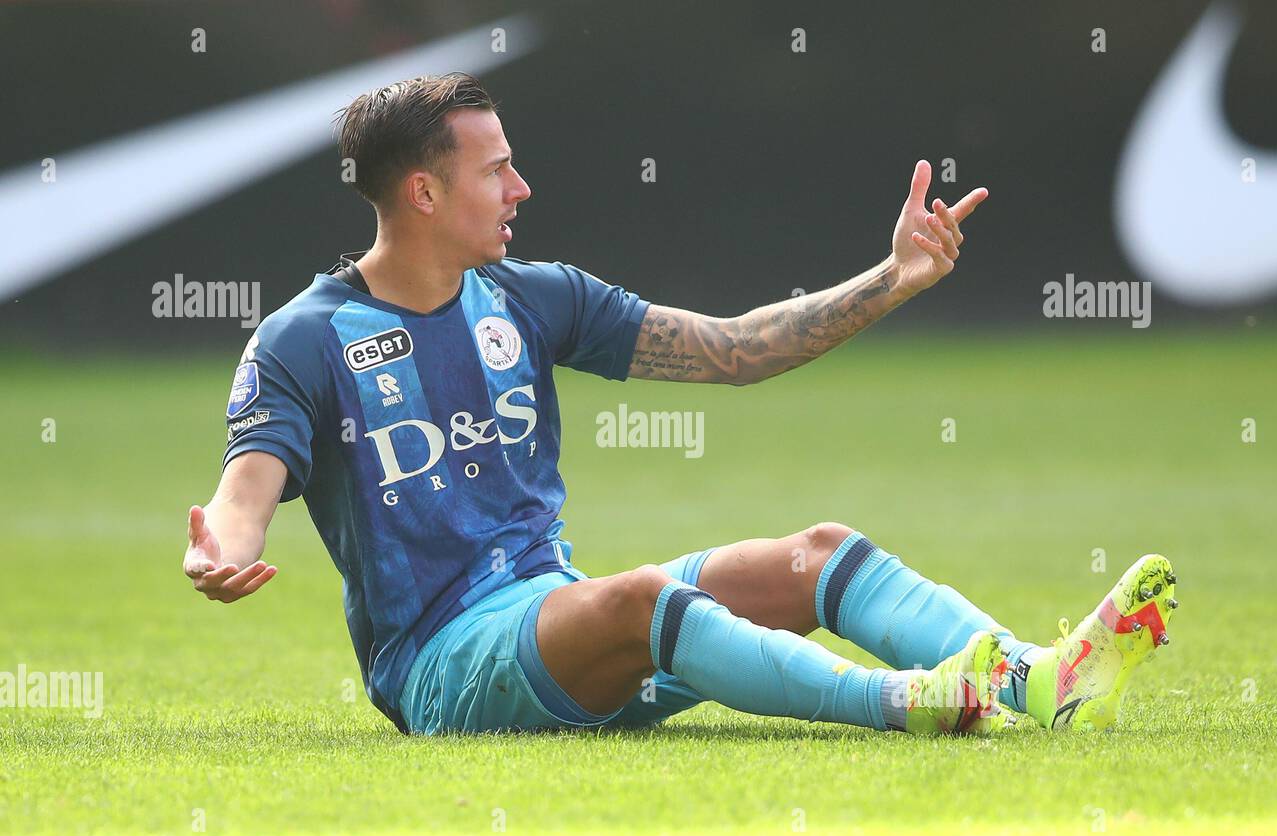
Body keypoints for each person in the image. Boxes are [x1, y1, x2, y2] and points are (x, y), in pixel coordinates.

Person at [184, 72, 1177, 737]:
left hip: (561, 617)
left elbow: (734, 350)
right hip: (444, 666)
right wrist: (221, 547)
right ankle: (912, 701)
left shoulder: (534, 295)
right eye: (495, 170)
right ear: (424, 195)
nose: (521, 186)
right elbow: (246, 490)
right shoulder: (304, 339)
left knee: (819, 551)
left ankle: (1040, 680)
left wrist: (893, 278)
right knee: (645, 599)